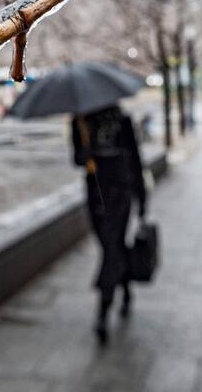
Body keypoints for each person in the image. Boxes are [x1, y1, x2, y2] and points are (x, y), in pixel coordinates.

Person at [71, 103, 147, 345]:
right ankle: (124, 287)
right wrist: (84, 156)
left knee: (112, 249)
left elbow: (135, 159)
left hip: (120, 195)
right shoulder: (79, 121)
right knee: (109, 248)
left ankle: (103, 311)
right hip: (95, 196)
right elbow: (76, 158)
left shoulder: (123, 120)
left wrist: (142, 196)